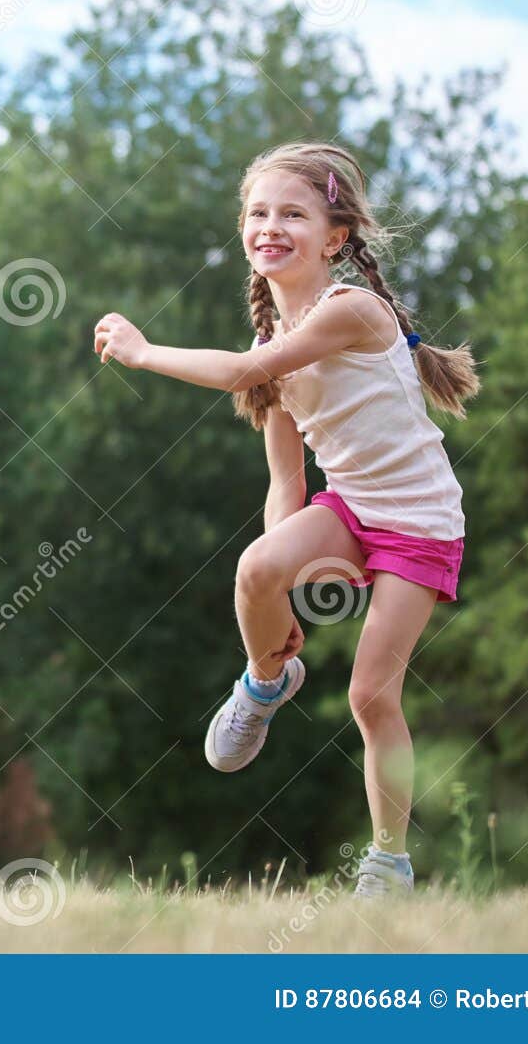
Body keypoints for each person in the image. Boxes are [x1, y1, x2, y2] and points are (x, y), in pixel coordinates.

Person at [92, 141, 478, 898]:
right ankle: (267, 682)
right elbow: (287, 479)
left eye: (294, 214)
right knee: (255, 567)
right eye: (259, 212)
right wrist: (275, 593)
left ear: (335, 237)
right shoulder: (272, 345)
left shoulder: (353, 311)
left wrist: (144, 352)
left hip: (420, 523)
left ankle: (388, 864)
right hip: (352, 508)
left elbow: (241, 373)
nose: (271, 226)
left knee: (371, 695)